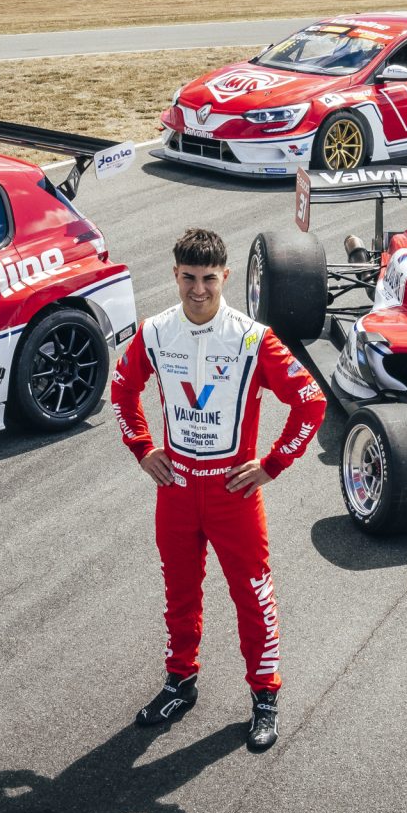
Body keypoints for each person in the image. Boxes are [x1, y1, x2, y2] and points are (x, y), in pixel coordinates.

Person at [110, 228, 326, 753]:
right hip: (177, 493)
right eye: (189, 278)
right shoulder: (156, 333)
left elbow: (311, 402)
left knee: (254, 599)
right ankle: (179, 682)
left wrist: (273, 465)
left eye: (209, 278)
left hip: (235, 496)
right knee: (180, 598)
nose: (199, 289)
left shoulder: (253, 338)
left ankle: (265, 697)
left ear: (225, 276)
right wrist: (143, 448)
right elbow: (121, 390)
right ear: (175, 275)